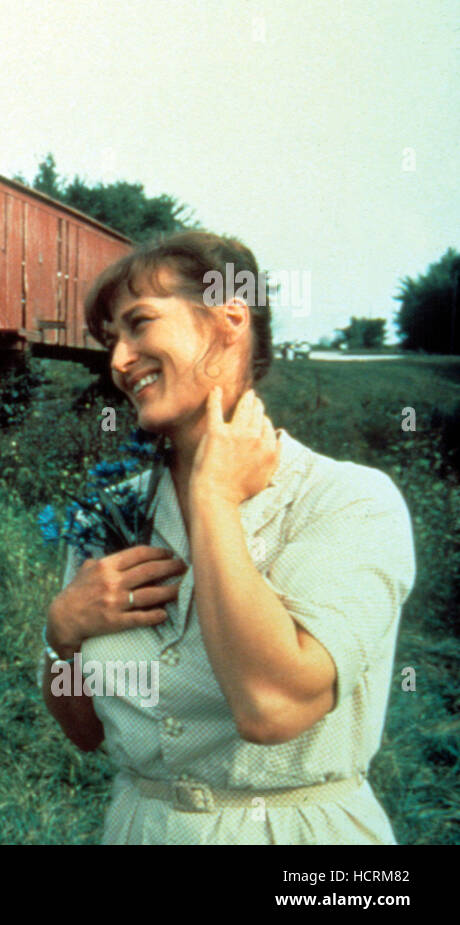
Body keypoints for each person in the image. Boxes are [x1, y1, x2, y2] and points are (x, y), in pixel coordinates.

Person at [40, 231, 414, 844]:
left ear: (228, 319)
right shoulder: (109, 515)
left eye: (139, 324)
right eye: (111, 340)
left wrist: (213, 498)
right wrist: (61, 638)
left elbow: (272, 708)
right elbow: (85, 733)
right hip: (142, 828)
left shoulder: (349, 501)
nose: (118, 361)